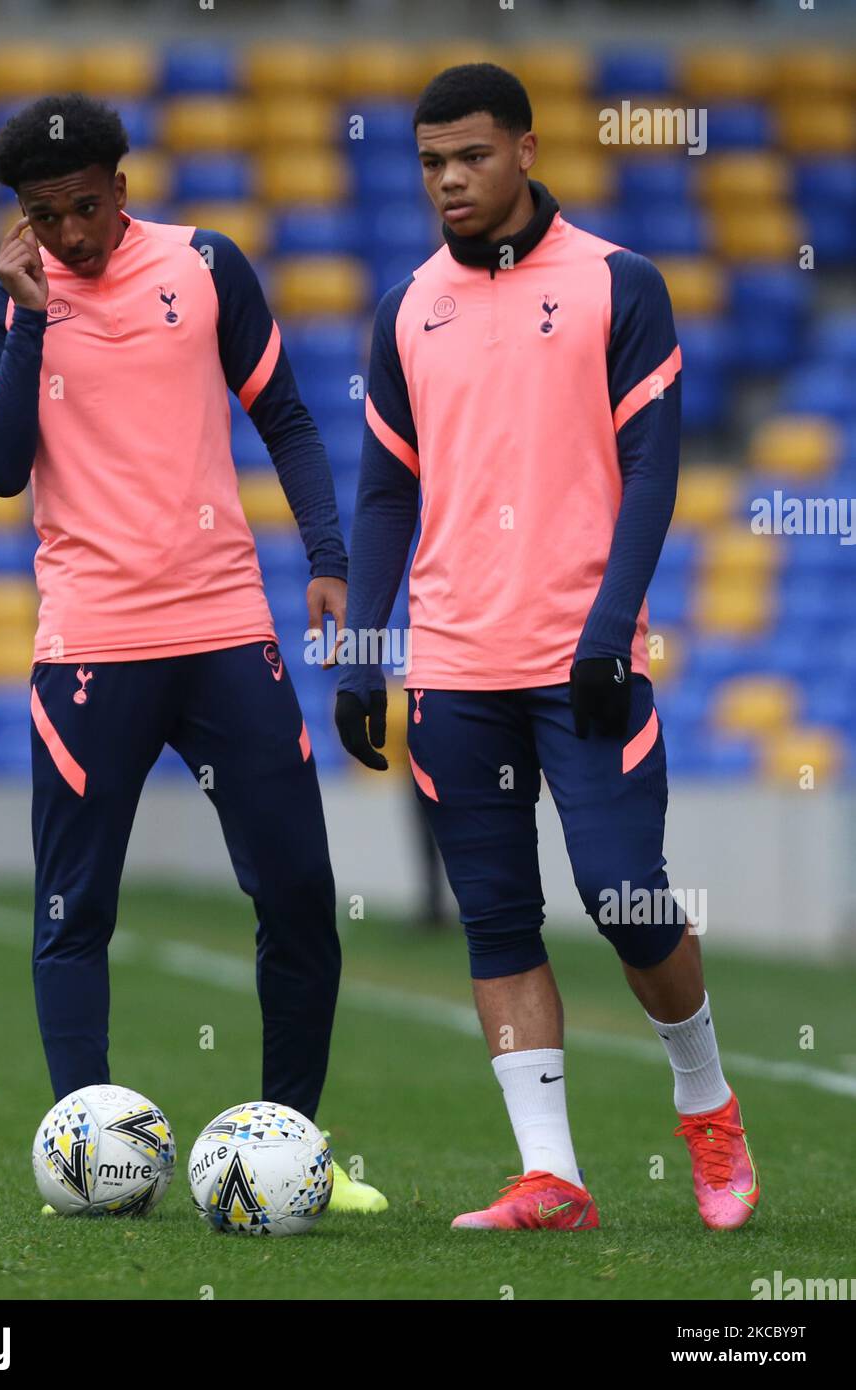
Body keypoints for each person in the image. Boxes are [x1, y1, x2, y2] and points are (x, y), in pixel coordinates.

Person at [335, 64, 758, 1231]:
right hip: (456, 670)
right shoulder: (405, 308)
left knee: (627, 899)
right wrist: (368, 654)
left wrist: (610, 631)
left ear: (525, 149)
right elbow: (383, 496)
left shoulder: (618, 284)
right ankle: (550, 1177)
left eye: (470, 156)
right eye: (430, 163)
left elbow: (654, 470)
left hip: (584, 663)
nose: (449, 181)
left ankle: (707, 1104)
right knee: (496, 918)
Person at [0, 92, 385, 1213]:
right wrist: (33, 316)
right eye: (43, 216)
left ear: (122, 185)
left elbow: (285, 414)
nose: (71, 235)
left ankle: (296, 1145)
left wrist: (327, 554)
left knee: (297, 889)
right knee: (72, 908)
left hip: (224, 629)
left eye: (86, 207)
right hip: (90, 645)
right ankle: (90, 1163)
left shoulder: (203, 265)